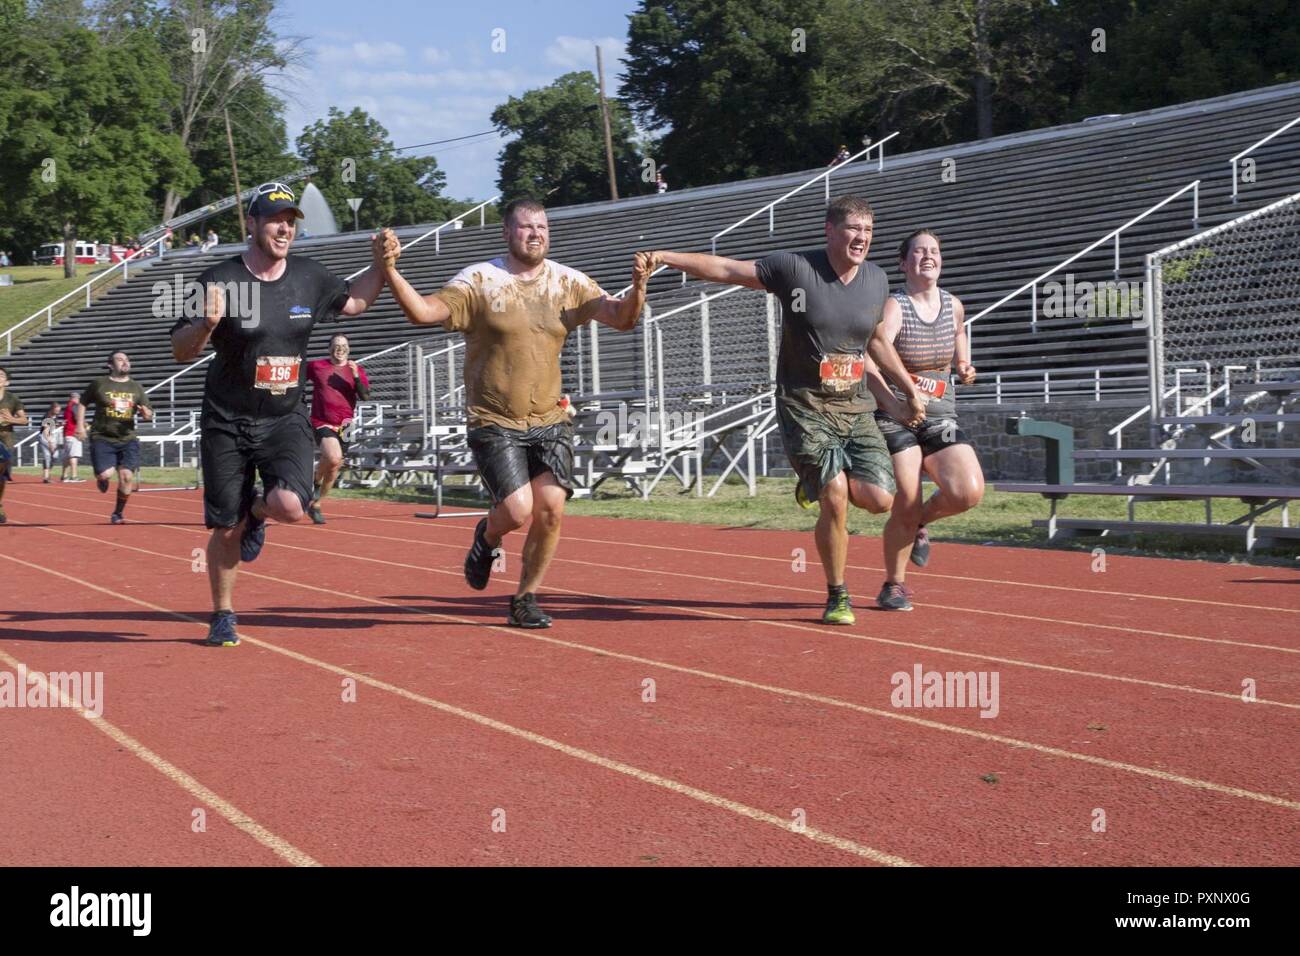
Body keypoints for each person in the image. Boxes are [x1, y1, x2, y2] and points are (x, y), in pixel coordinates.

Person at [644, 195, 927, 626]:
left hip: (854, 406)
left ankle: (812, 479)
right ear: (830, 230)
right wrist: (666, 257)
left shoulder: (876, 279)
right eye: (853, 228)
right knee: (835, 499)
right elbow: (725, 269)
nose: (862, 238)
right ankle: (838, 594)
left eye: (868, 231)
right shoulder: (794, 269)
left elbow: (876, 343)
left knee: (879, 499)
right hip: (804, 403)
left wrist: (906, 390)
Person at [378, 199, 650, 628]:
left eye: (542, 226)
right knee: (518, 510)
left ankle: (525, 597)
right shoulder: (481, 279)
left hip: (550, 418)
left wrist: (638, 287)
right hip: (494, 420)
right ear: (507, 232)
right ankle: (487, 537)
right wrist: (391, 270)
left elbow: (621, 319)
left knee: (552, 508)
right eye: (526, 227)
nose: (536, 233)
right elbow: (423, 313)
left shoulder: (568, 281)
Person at [170, 181, 393, 647]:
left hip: (283, 417)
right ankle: (223, 613)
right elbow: (179, 352)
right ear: (251, 224)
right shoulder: (218, 279)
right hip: (227, 420)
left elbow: (354, 302)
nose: (284, 229)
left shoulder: (309, 277)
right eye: (274, 220)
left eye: (290, 221)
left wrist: (382, 266)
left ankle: (258, 512)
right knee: (224, 527)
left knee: (291, 506)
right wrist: (206, 324)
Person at [869, 229, 983, 611]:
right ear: (904, 263)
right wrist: (905, 393)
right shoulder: (895, 306)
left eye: (934, 251)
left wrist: (963, 364)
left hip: (941, 413)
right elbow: (875, 352)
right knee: (906, 494)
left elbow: (960, 333)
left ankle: (919, 522)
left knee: (967, 491)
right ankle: (894, 585)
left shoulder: (954, 305)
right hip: (898, 413)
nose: (928, 256)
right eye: (919, 252)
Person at [76, 350, 155, 524]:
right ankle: (101, 479)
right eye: (120, 360)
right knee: (106, 474)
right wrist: (80, 426)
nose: (125, 362)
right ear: (110, 365)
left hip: (127, 438)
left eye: (127, 360)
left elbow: (149, 414)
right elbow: (83, 402)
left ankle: (117, 513)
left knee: (127, 477)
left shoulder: (136, 387)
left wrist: (145, 413)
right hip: (102, 436)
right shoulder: (99, 384)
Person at [305, 334, 370, 524]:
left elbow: (365, 396)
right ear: (329, 349)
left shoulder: (356, 370)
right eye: (336, 346)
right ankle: (315, 482)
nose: (340, 349)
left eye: (343, 346)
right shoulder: (317, 366)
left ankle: (316, 503)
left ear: (348, 349)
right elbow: (298, 377)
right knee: (332, 457)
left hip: (347, 424)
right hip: (322, 420)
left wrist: (356, 376)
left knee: (334, 467)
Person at [0, 367, 29, 524]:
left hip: (5, 442)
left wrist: (11, 419)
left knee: (1, 477)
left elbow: (24, 420)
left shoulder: (12, 399)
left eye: (1, 375)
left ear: (7, 381)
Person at [61, 391, 84, 481]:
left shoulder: (68, 406)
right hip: (73, 433)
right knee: (74, 455)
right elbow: (77, 418)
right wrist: (84, 425)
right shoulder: (75, 406)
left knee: (67, 456)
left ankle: (64, 475)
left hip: (67, 433)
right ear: (76, 398)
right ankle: (74, 476)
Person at [37, 401, 62, 483]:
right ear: (52, 409)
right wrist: (50, 443)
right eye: (57, 410)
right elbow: (45, 431)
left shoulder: (55, 417)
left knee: (55, 456)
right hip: (45, 438)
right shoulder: (47, 417)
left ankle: (47, 474)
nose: (58, 412)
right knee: (48, 456)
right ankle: (46, 477)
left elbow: (53, 427)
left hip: (51, 437)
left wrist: (59, 425)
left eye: (59, 410)